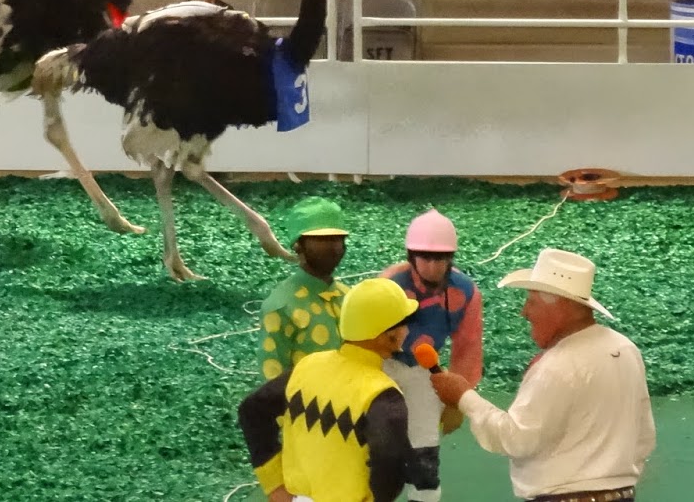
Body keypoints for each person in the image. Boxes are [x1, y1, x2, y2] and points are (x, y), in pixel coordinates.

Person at [431, 248, 655, 502]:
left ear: (558, 306)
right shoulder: (625, 348)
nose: (524, 312)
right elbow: (644, 436)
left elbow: (514, 438)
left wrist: (462, 396)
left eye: (532, 302)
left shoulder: (559, 364)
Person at [239, 278, 416, 502]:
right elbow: (390, 464)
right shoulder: (382, 395)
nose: (407, 330)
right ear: (388, 336)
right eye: (404, 323)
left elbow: (251, 411)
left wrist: (274, 483)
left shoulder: (307, 366)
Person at [378, 209, 485, 502]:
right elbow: (365, 334)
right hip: (379, 366)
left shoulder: (465, 291)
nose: (433, 265)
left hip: (422, 369)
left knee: (425, 444)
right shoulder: (388, 284)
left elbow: (468, 347)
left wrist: (457, 400)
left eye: (441, 258)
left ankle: (423, 495)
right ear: (411, 255)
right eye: (425, 257)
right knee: (372, 442)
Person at [256, 196, 349, 381]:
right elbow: (272, 376)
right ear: (298, 245)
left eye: (338, 238)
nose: (333, 247)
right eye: (322, 240)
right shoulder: (281, 306)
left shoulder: (349, 297)